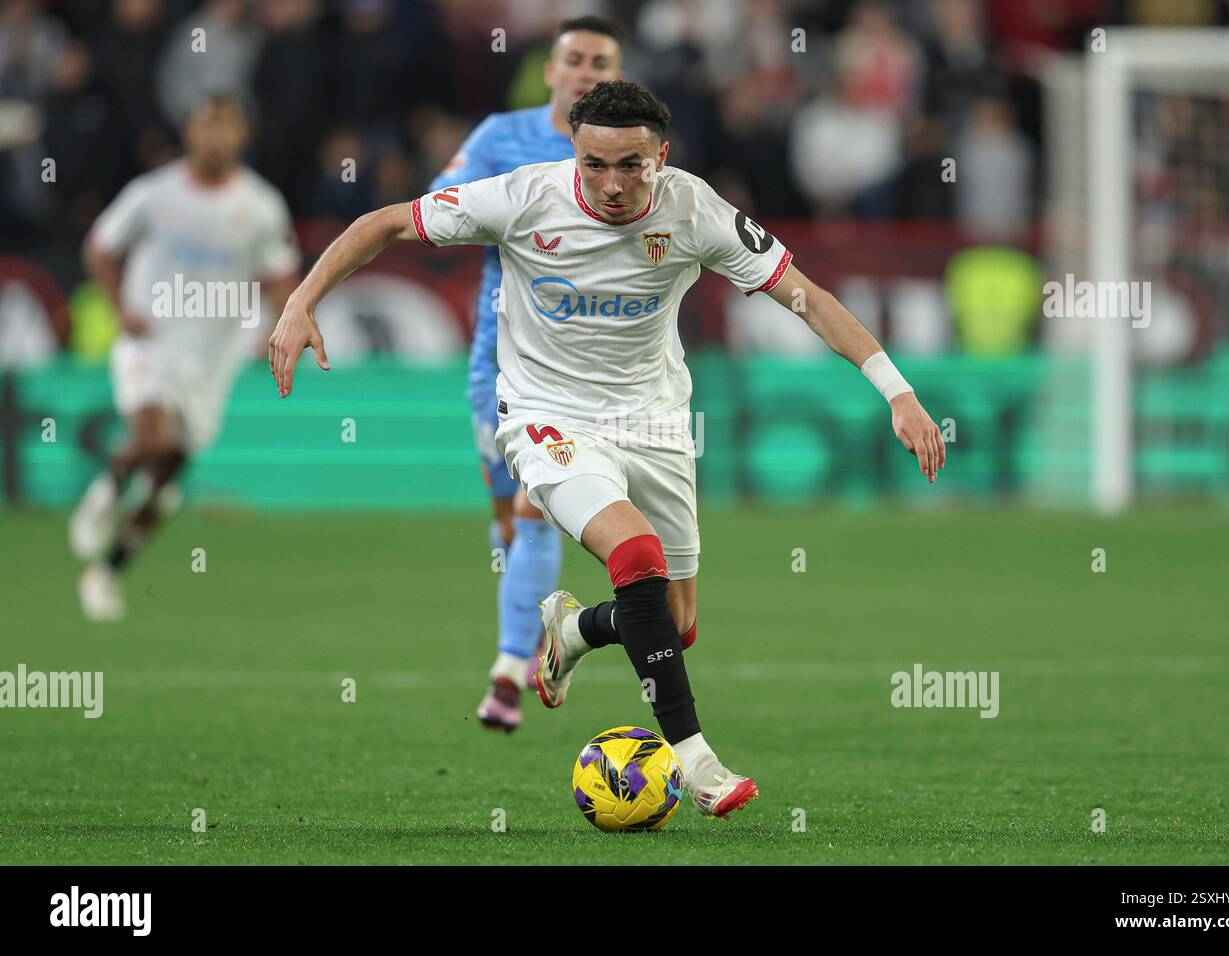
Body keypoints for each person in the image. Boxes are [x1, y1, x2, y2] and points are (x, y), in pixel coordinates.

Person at [267, 80, 945, 819]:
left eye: (631, 165)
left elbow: (807, 297)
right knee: (636, 559)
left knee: (675, 624)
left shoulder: (697, 210)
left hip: (654, 422)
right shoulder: (524, 197)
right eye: (595, 164)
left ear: (662, 155)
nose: (612, 184)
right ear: (574, 152)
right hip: (545, 417)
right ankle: (698, 761)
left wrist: (898, 392)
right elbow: (386, 223)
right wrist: (301, 302)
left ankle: (573, 628)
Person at [429, 16, 625, 733]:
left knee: (534, 517)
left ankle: (509, 675)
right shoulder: (499, 139)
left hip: (585, 373)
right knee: (512, 525)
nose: (585, 72)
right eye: (573, 59)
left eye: (600, 61)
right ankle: (537, 630)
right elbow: (435, 210)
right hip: (500, 364)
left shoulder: (629, 154)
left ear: (618, 73)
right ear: (550, 70)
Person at [71, 93, 299, 621]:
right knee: (152, 438)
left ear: (242, 135)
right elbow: (100, 247)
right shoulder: (152, 194)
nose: (215, 138)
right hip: (151, 342)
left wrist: (283, 327)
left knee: (170, 471)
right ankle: (107, 489)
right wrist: (119, 307)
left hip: (212, 357)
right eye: (206, 127)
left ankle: (105, 572)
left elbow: (280, 276)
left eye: (226, 128)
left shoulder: (261, 206)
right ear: (190, 133)